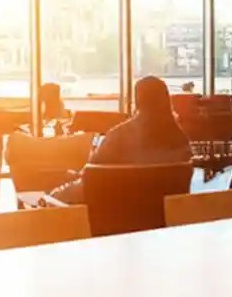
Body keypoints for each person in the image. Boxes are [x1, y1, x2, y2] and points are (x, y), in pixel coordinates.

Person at [49, 76, 192, 204]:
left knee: (52, 199)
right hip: (163, 225)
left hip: (109, 223)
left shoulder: (119, 136)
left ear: (137, 100)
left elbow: (90, 181)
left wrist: (53, 196)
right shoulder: (181, 142)